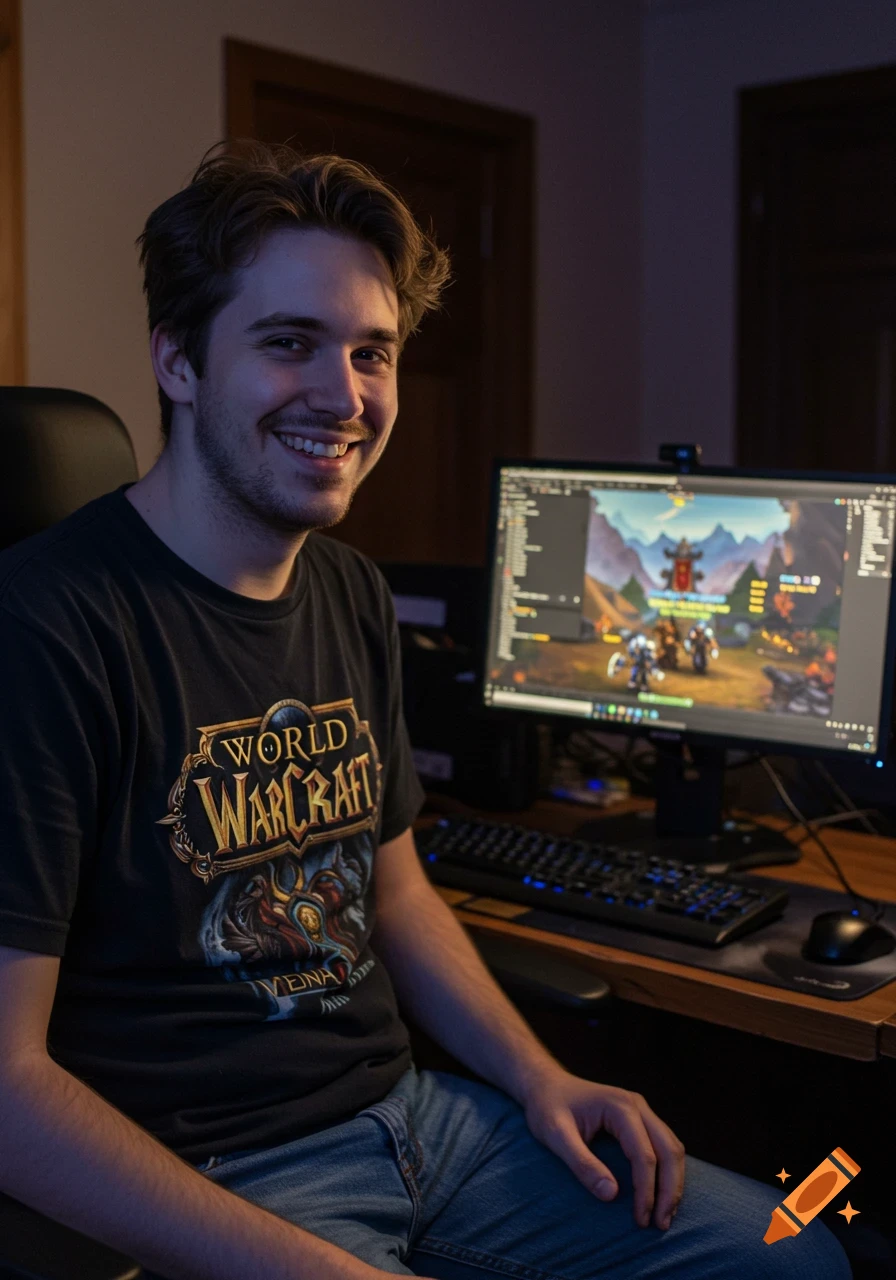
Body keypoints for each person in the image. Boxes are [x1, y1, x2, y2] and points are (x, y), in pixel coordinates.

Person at [0, 141, 852, 1280]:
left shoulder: (347, 588)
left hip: (419, 1123)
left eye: (371, 352)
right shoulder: (48, 624)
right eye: (289, 343)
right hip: (213, 1177)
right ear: (179, 361)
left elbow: (395, 889)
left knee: (793, 1254)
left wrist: (538, 1073)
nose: (344, 396)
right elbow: (7, 1088)